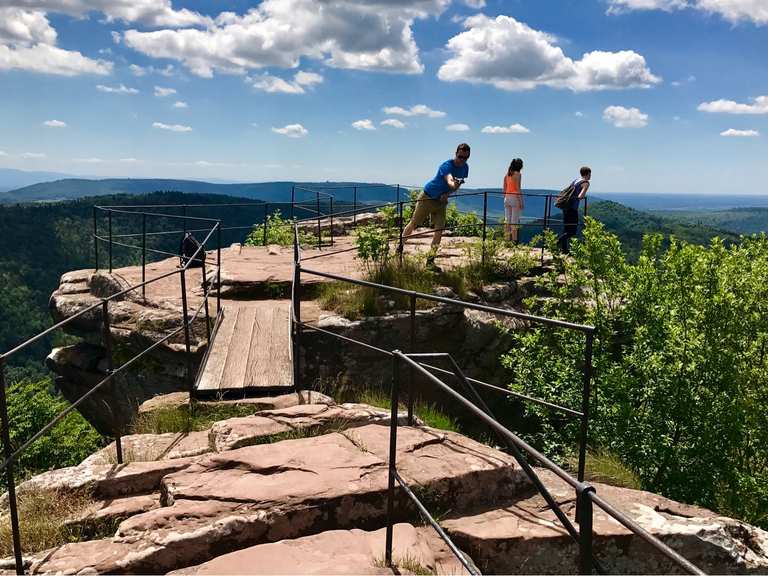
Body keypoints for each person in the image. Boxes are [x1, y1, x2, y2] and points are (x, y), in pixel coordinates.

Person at [399, 143, 470, 268]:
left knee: (439, 230)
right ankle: (400, 248)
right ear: (456, 154)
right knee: (413, 224)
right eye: (460, 157)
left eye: (465, 158)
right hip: (427, 197)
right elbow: (450, 180)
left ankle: (430, 261)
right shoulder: (446, 165)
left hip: (441, 201)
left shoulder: (465, 167)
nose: (462, 160)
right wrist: (452, 186)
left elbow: (458, 184)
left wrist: (447, 194)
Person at [557, 166, 591, 254]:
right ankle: (556, 243)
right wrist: (583, 194)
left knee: (566, 229)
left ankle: (564, 249)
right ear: (587, 174)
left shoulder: (576, 180)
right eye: (590, 174)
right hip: (572, 208)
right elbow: (580, 196)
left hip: (566, 206)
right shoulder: (586, 183)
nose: (590, 176)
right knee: (572, 231)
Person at [503, 158, 524, 243]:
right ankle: (514, 241)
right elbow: (518, 189)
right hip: (515, 198)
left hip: (507, 198)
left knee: (507, 220)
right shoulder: (518, 174)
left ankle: (506, 240)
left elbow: (504, 188)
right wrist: (521, 201)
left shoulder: (507, 175)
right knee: (514, 221)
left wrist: (506, 197)